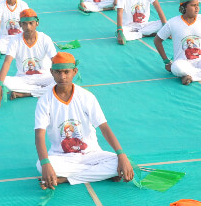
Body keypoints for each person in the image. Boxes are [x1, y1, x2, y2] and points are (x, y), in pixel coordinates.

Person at [35, 52, 134, 188]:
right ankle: (98, 175)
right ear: (51, 72)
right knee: (41, 165)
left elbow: (104, 128)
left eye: (66, 72)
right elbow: (39, 135)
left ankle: (64, 179)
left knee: (121, 162)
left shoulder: (87, 97)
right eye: (58, 72)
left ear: (75, 72)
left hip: (91, 155)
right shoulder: (44, 101)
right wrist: (46, 164)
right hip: (61, 157)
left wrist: (121, 155)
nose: (62, 76)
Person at [0, 9, 57, 107]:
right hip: (24, 78)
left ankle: (26, 93)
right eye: (25, 24)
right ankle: (42, 90)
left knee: (60, 81)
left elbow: (55, 61)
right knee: (5, 82)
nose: (28, 27)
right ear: (20, 24)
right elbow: (7, 62)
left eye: (31, 23)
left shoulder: (45, 39)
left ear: (37, 23)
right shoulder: (15, 40)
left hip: (45, 77)